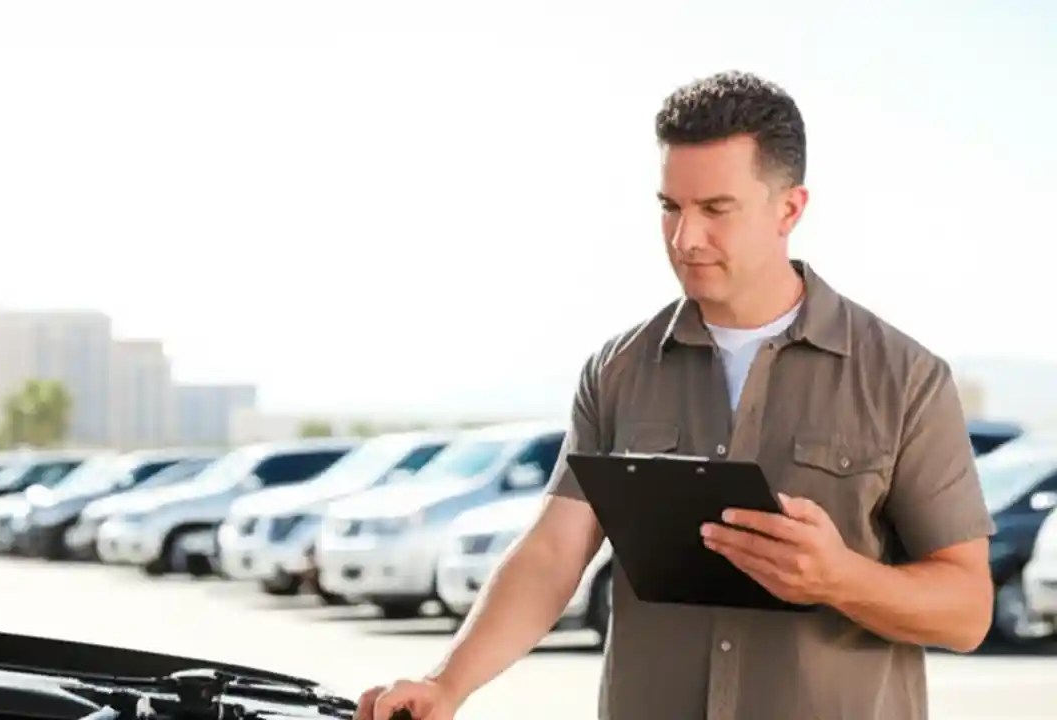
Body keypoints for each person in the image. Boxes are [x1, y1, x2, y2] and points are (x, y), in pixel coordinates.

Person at [354, 70, 995, 720]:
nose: (685, 238)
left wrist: (840, 578)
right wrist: (447, 683)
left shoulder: (904, 378)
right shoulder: (618, 370)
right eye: (670, 207)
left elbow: (968, 612)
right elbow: (553, 552)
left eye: (715, 209)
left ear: (790, 209)